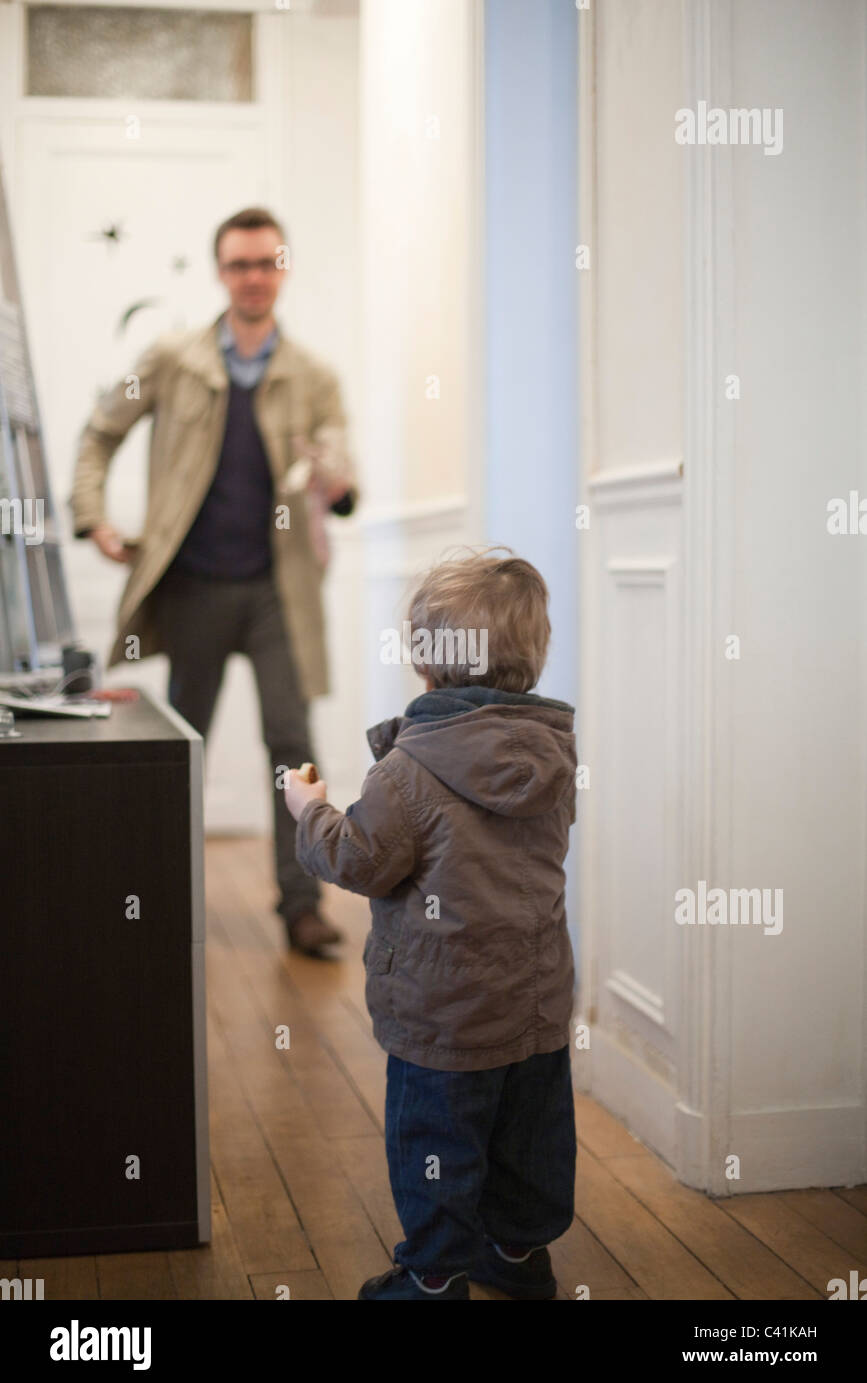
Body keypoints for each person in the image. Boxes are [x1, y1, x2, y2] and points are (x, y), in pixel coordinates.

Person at [283, 547, 577, 1299]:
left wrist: (309, 811)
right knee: (526, 1136)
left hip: (441, 1014)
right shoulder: (551, 754)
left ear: (423, 663)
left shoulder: (407, 769)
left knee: (435, 1145)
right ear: (533, 657)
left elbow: (357, 861)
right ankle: (516, 1254)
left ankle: (433, 1276)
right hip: (535, 1002)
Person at [68, 207, 357, 957]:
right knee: (181, 746)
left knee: (291, 743)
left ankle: (301, 907)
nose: (254, 277)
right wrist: (92, 516)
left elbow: (343, 478)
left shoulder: (315, 376)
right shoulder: (171, 357)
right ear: (220, 273)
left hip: (275, 594)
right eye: (239, 265)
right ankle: (157, 901)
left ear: (282, 269)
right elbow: (100, 432)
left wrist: (332, 475)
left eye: (266, 263)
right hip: (193, 586)